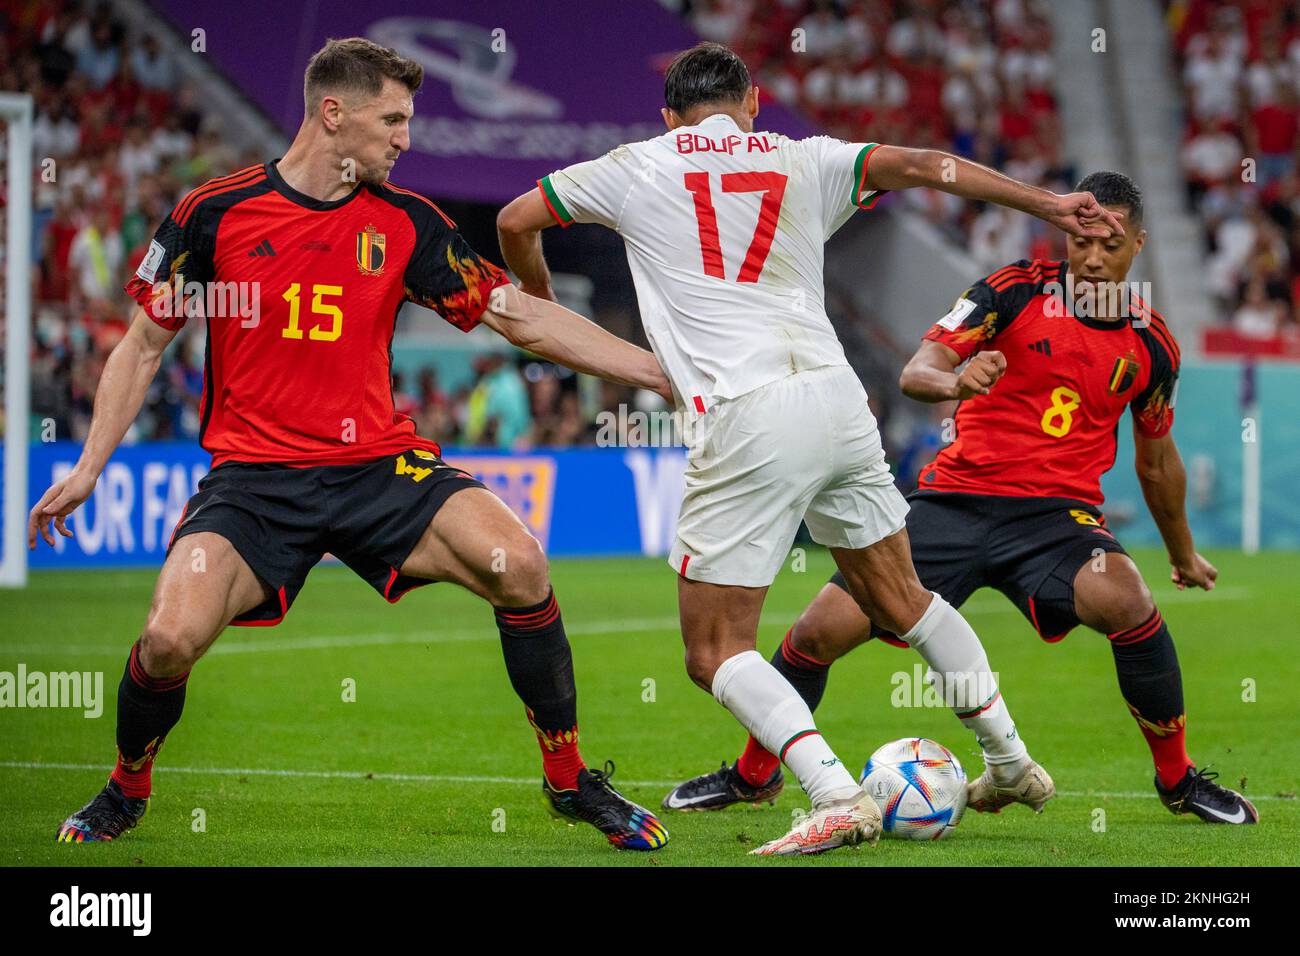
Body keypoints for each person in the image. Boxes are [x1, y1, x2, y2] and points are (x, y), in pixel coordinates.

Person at [32, 37, 672, 851]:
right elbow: (140, 346)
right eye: (393, 119)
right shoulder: (214, 213)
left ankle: (569, 779)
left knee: (522, 563)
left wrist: (655, 372)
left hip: (379, 467)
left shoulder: (406, 224)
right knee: (166, 642)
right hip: (255, 481)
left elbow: (522, 316)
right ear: (333, 114)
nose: (406, 137)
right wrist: (90, 466)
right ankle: (126, 788)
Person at [497, 42, 1124, 855]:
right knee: (906, 601)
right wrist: (1047, 204)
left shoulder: (636, 164)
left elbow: (516, 219)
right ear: (752, 102)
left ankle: (835, 793)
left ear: (668, 117)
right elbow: (929, 165)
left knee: (714, 649)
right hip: (839, 400)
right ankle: (1008, 759)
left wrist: (544, 305)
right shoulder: (808, 158)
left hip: (749, 412)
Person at [667, 171, 1257, 826]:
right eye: (1079, 238)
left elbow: (1156, 461)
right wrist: (958, 378)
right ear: (1063, 233)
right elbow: (917, 371)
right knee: (815, 632)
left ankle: (1176, 781)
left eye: (1110, 243)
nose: (1092, 256)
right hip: (952, 503)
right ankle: (754, 777)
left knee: (1128, 600)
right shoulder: (1009, 292)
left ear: (1138, 245)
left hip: (1057, 522)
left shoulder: (1152, 345)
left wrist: (1184, 554)